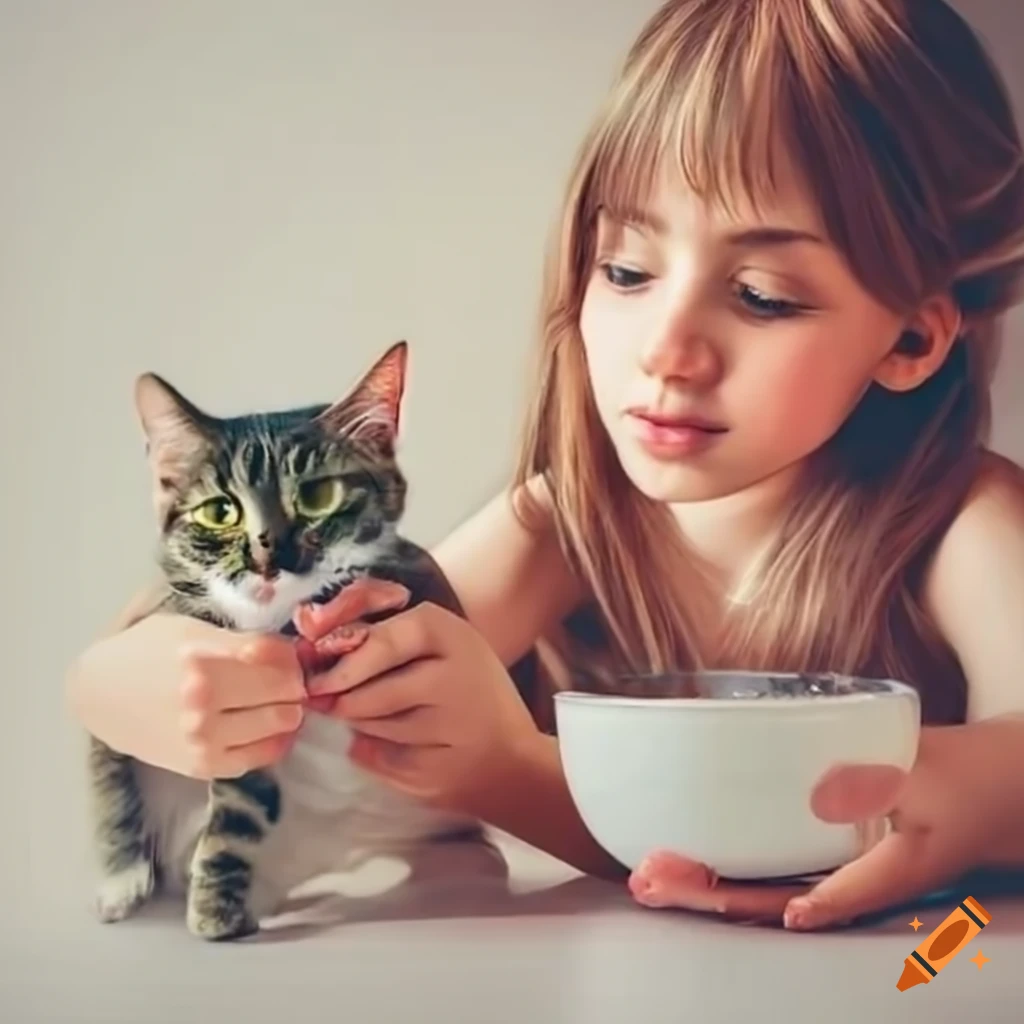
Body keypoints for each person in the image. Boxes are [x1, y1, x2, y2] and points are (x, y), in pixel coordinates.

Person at [66, 0, 1024, 931]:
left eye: (762, 295)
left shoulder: (962, 520)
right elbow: (328, 656)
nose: (667, 351)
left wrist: (506, 770)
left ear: (910, 338)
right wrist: (116, 683)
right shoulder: (571, 521)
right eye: (626, 271)